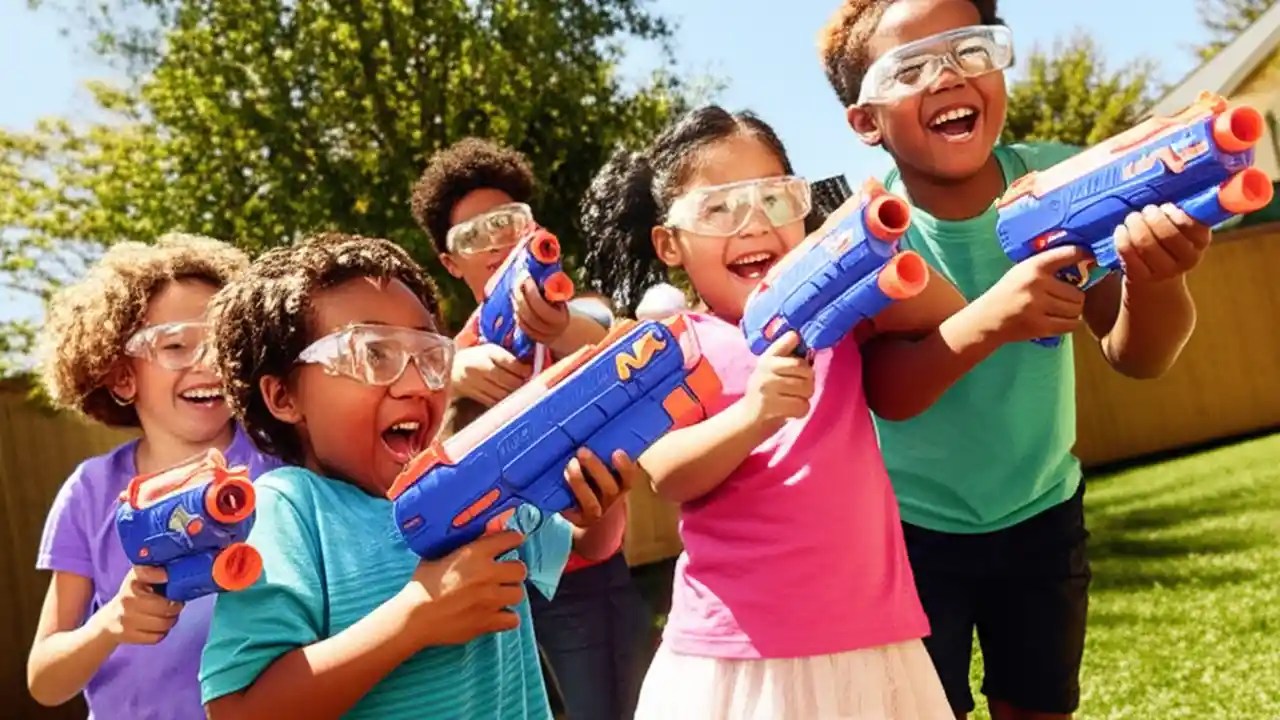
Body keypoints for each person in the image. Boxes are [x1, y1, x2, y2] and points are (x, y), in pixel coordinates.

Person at [818, 2, 1212, 718]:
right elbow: (888, 392)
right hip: (908, 533)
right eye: (910, 67)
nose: (946, 76)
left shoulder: (1067, 181)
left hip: (1044, 514)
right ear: (866, 121)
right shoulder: (872, 236)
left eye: (968, 49)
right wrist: (992, 319)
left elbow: (1138, 357)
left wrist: (1160, 281)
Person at [580, 103, 1005, 719]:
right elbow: (669, 473)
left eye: (775, 200)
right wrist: (752, 416)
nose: (753, 225)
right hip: (740, 654)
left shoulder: (831, 323)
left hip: (871, 635)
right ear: (669, 242)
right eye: (720, 208)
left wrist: (872, 248)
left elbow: (944, 312)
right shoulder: (671, 346)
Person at [197, 232, 638, 719]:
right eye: (373, 354)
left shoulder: (474, 478)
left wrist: (601, 497)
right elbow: (236, 711)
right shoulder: (288, 510)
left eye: (429, 357)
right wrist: (417, 616)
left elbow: (590, 544)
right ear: (284, 397)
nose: (414, 384)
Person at [411, 138, 651, 720]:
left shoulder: (579, 315)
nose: (493, 242)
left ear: (532, 227)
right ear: (450, 262)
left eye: (508, 222)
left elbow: (624, 351)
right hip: (494, 582)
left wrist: (560, 327)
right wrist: (452, 377)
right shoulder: (446, 360)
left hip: (586, 570)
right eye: (471, 236)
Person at [27, 234, 280, 719]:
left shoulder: (285, 466)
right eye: (176, 345)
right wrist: (110, 625)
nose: (206, 362)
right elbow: (44, 679)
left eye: (223, 342)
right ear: (122, 376)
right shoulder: (90, 492)